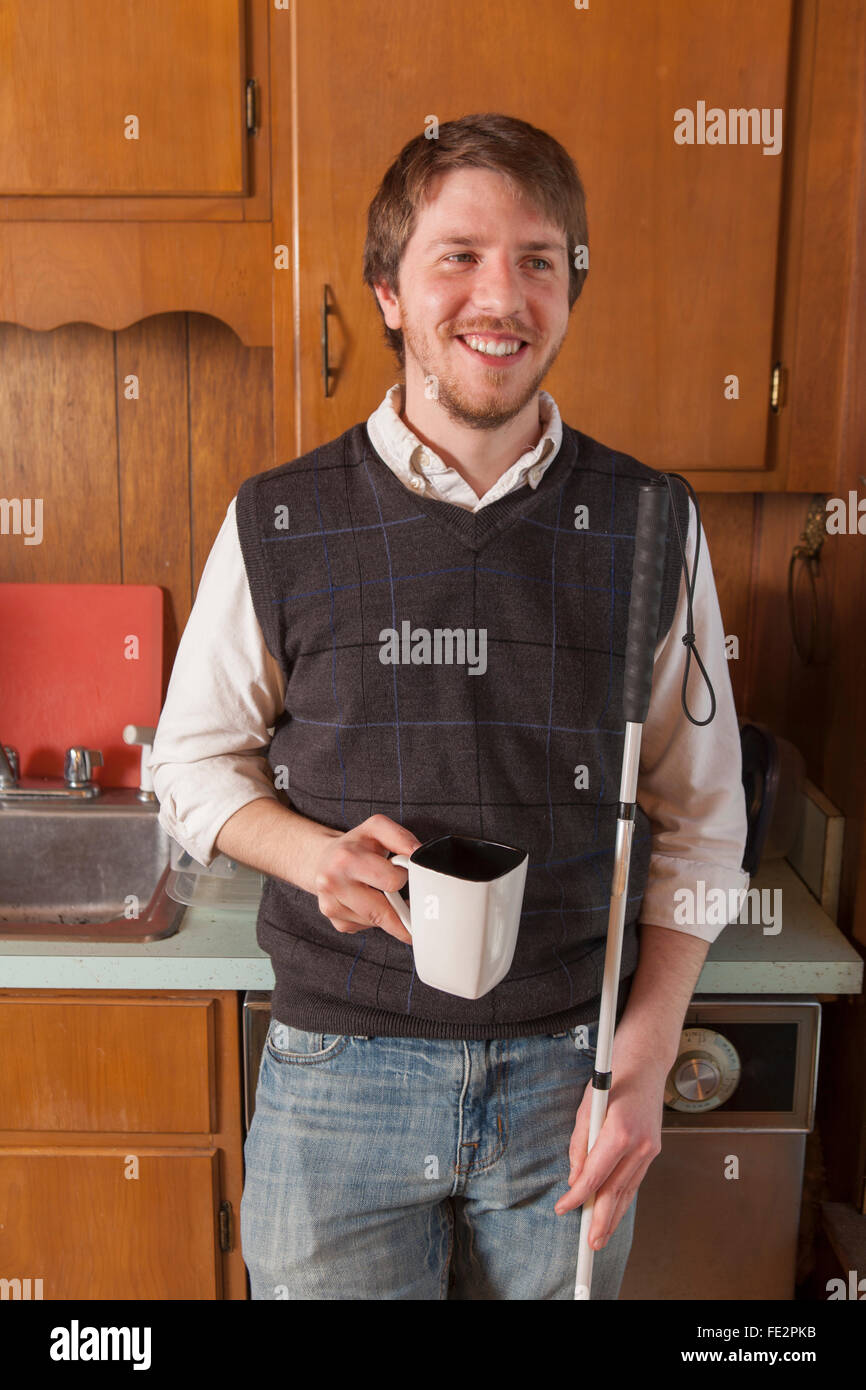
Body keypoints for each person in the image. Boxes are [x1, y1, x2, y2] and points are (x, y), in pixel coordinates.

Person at [150, 113, 749, 1301]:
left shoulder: (649, 523)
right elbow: (190, 764)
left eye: (540, 259)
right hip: (336, 1074)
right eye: (458, 255)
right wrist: (311, 852)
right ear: (386, 290)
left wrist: (642, 1049)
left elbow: (702, 821)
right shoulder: (279, 519)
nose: (504, 294)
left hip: (566, 1079)